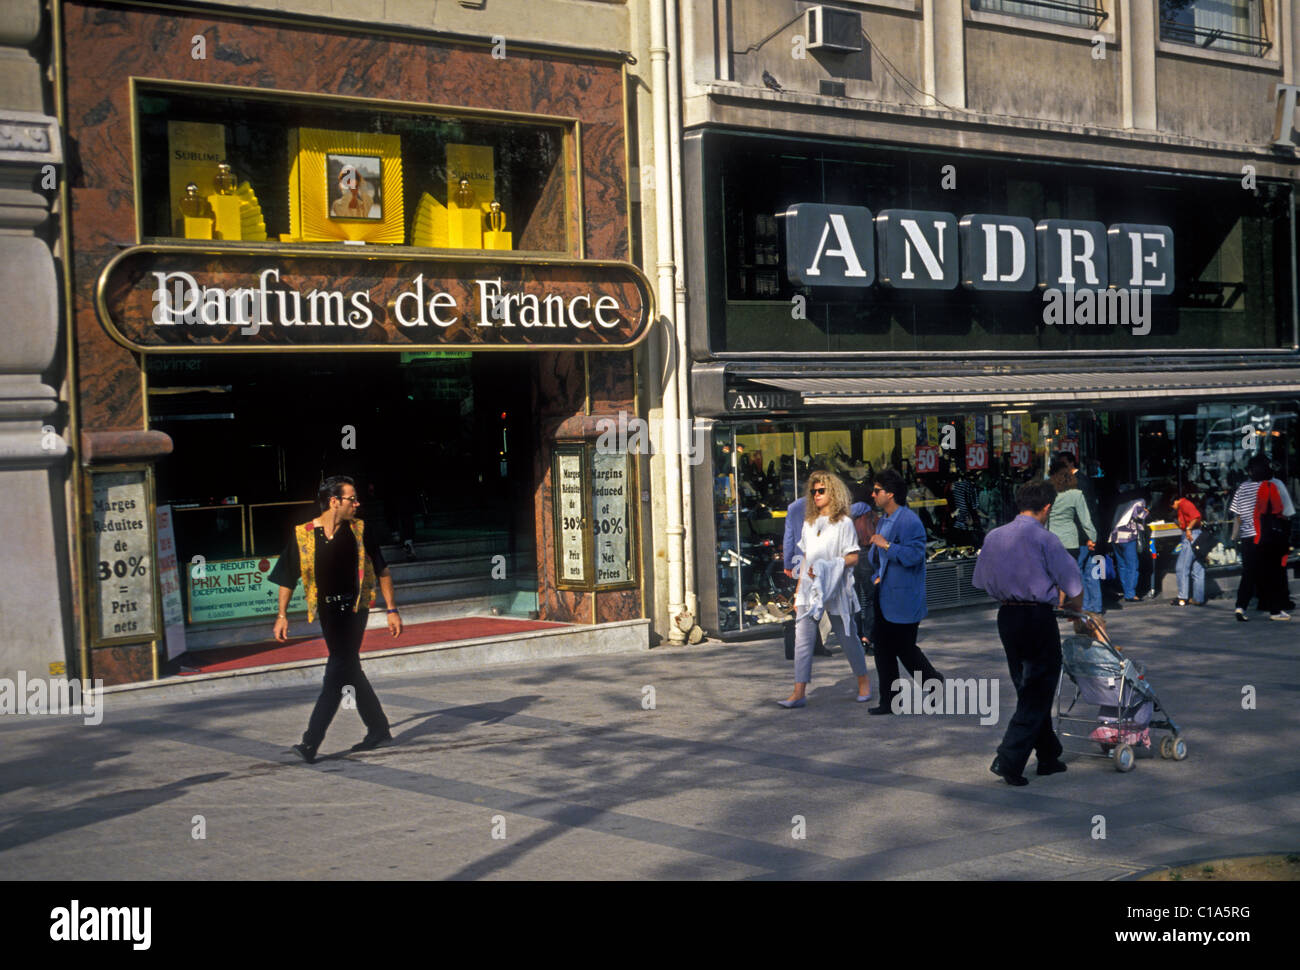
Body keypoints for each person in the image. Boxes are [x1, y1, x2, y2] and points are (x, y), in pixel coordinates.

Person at [270, 475, 403, 763]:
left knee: (337, 671)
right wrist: (282, 615)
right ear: (334, 501)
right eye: (351, 498)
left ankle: (310, 743)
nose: (357, 503)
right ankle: (379, 728)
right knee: (349, 669)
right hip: (327, 613)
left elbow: (382, 569)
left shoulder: (360, 530)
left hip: (355, 610)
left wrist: (391, 609)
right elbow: (286, 577)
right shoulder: (304, 534)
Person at [973, 480, 1086, 786]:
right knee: (1038, 689)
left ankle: (1048, 755)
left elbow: (980, 580)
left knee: (1027, 686)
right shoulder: (1046, 539)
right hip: (1037, 616)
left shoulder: (994, 536)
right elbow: (1074, 585)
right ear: (1047, 508)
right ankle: (1009, 759)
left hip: (1007, 615)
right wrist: (1077, 612)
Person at [778, 471, 871, 708]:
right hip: (810, 587)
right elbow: (807, 556)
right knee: (802, 639)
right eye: (813, 491)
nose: (816, 495)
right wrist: (800, 588)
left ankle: (863, 682)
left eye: (821, 491)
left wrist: (829, 567)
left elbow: (853, 557)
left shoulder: (844, 523)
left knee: (847, 637)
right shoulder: (809, 523)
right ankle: (798, 692)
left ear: (833, 492)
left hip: (837, 586)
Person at [865, 468, 943, 715]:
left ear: (890, 494)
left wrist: (886, 544)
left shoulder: (909, 521)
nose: (873, 494)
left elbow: (914, 556)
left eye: (877, 490)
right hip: (885, 594)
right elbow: (879, 557)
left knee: (905, 649)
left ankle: (934, 684)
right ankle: (889, 700)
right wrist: (876, 576)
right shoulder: (886, 519)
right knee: (883, 649)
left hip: (904, 598)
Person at [1230, 454, 1296, 621]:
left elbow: (1237, 516)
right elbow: (1282, 512)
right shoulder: (1270, 486)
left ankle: (1240, 607)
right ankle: (1275, 610)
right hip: (1265, 536)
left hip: (1246, 537)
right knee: (1272, 573)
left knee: (1248, 574)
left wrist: (1234, 537)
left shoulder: (1242, 488)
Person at [1048, 456, 1102, 617]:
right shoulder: (1076, 494)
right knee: (1073, 574)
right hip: (1071, 540)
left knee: (1053, 574)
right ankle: (1082, 607)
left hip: (1052, 538)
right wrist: (1093, 537)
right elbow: (1086, 520)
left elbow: (1045, 518)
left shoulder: (1050, 495)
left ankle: (1056, 603)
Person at [1108, 490, 1149, 602]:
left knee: (1122, 565)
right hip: (1127, 537)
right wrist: (1146, 511)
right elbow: (1140, 515)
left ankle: (1126, 590)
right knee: (1132, 565)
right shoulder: (1139, 501)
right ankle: (1130, 594)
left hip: (1115, 537)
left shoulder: (1121, 505)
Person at [1170, 491, 1205, 607]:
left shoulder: (1184, 504)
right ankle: (1198, 598)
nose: (1173, 508)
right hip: (1197, 535)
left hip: (1191, 536)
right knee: (1197, 568)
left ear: (1175, 501)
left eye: (1172, 505)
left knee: (1181, 567)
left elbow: (1195, 516)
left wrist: (1188, 528)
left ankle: (1182, 597)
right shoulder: (1185, 505)